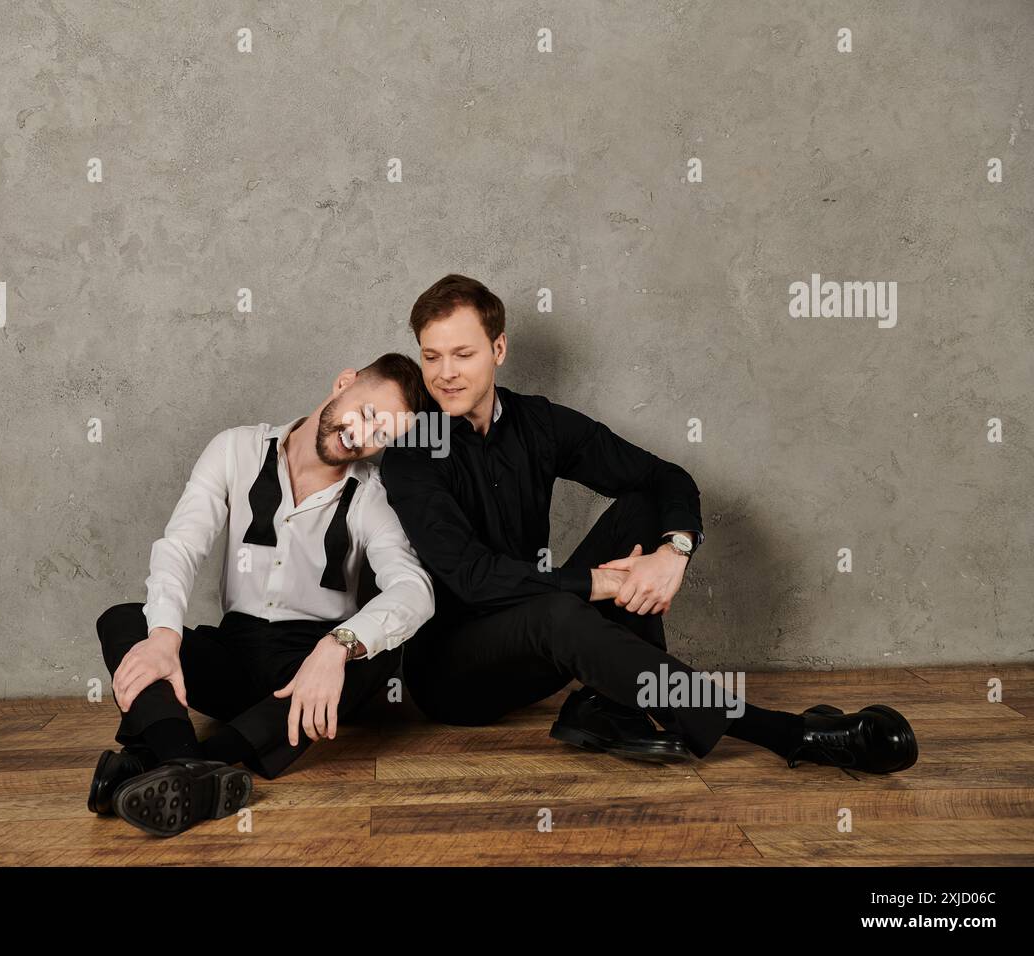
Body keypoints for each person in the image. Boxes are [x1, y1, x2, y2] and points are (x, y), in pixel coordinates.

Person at [379, 274, 918, 774]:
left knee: (640, 506)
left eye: (463, 354)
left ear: (499, 349)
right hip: (454, 675)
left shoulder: (539, 422)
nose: (445, 373)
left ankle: (608, 706)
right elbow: (473, 578)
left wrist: (672, 552)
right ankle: (786, 733)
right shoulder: (412, 448)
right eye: (432, 357)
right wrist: (600, 582)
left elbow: (667, 478)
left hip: (540, 639)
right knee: (558, 611)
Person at [91, 353, 436, 837]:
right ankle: (192, 766)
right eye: (369, 414)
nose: (364, 435)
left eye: (383, 435)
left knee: (379, 653)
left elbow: (413, 589)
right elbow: (181, 546)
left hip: (307, 671)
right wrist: (166, 636)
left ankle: (165, 762)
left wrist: (336, 646)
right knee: (124, 619)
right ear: (343, 383)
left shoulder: (373, 496)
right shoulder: (234, 449)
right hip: (234, 655)